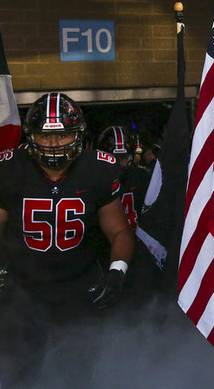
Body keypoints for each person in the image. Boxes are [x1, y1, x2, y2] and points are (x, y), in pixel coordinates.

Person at [0, 92, 134, 387]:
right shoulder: (9, 169)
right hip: (22, 294)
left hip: (78, 291)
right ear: (31, 137)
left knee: (78, 376)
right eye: (45, 136)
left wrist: (116, 273)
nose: (54, 144)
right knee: (17, 377)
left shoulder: (98, 168)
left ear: (79, 135)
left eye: (63, 135)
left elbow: (119, 231)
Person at [96, 125, 167, 302]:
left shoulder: (143, 177)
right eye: (114, 158)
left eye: (123, 158)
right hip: (106, 252)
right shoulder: (94, 180)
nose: (120, 163)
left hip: (140, 252)